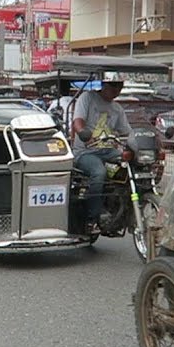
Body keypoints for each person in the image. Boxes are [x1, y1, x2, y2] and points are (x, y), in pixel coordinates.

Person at [71, 77, 131, 234]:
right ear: (104, 85)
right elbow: (78, 121)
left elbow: (127, 132)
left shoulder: (117, 108)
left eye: (120, 87)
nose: (116, 91)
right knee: (99, 172)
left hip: (108, 150)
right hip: (85, 151)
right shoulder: (88, 98)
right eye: (113, 86)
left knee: (130, 165)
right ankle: (93, 217)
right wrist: (84, 134)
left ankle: (121, 208)